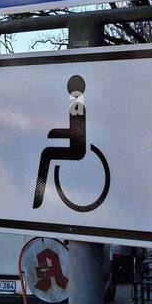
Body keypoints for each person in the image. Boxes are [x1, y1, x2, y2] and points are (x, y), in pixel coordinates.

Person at [33, 75, 87, 209]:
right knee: (47, 152)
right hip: (76, 145)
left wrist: (54, 132)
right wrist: (54, 132)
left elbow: (76, 133)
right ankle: (38, 198)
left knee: (47, 153)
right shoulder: (77, 104)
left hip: (77, 149)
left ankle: (38, 197)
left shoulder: (76, 106)